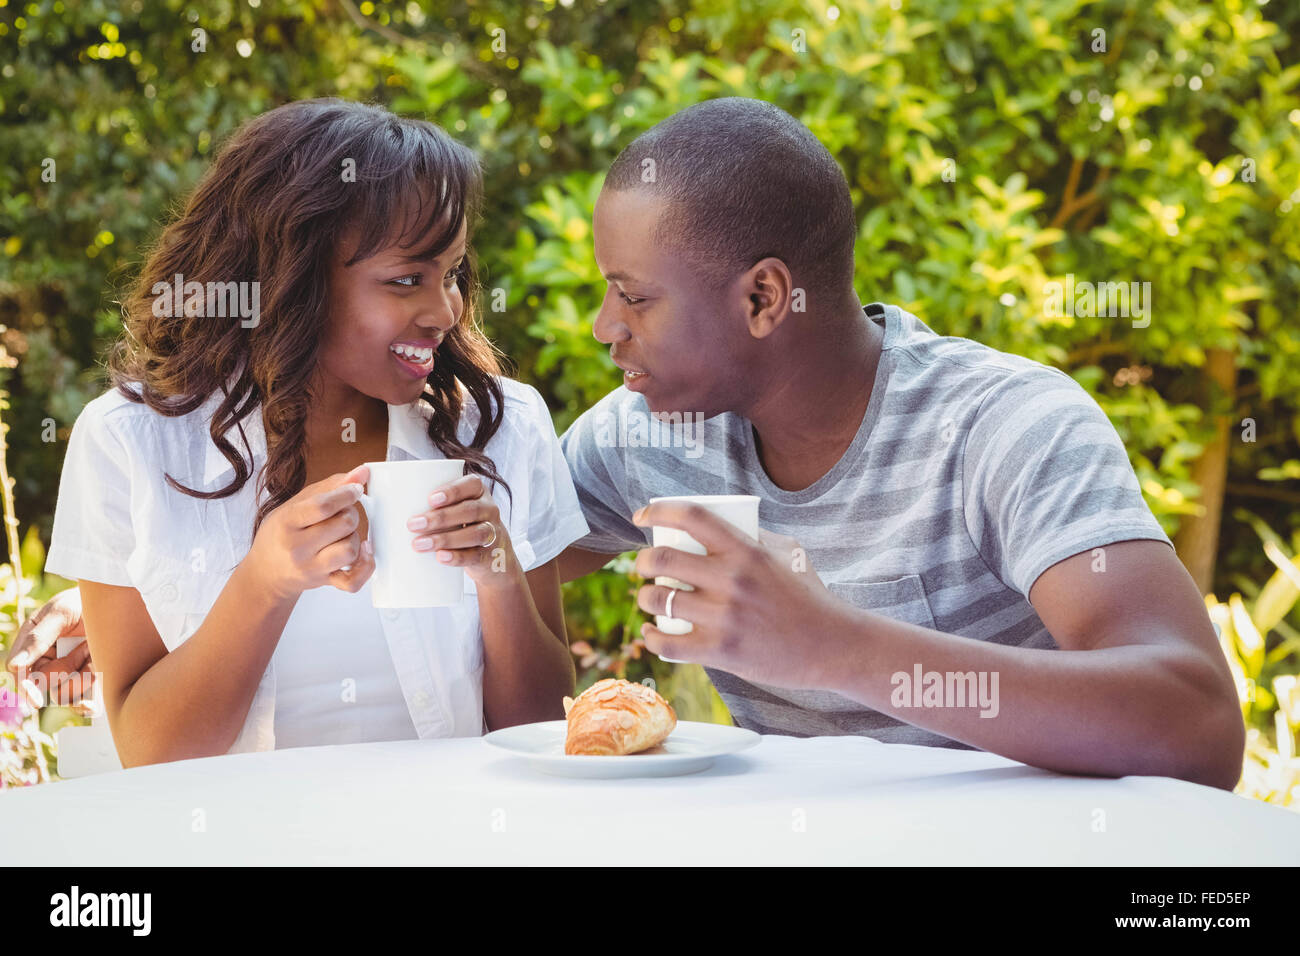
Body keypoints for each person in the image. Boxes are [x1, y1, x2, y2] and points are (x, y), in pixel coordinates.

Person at [14, 97, 1244, 789]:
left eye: (632, 296)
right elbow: (504, 614)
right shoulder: (644, 440)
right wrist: (206, 580)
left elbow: (1194, 722)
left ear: (763, 301)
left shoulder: (1005, 426)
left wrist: (832, 643)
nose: (600, 330)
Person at [14, 98, 588, 766]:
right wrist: (264, 583)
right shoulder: (130, 444)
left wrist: (498, 574)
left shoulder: (501, 427)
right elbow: (149, 751)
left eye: (452, 273)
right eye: (407, 280)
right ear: (292, 280)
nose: (444, 309)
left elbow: (547, 726)